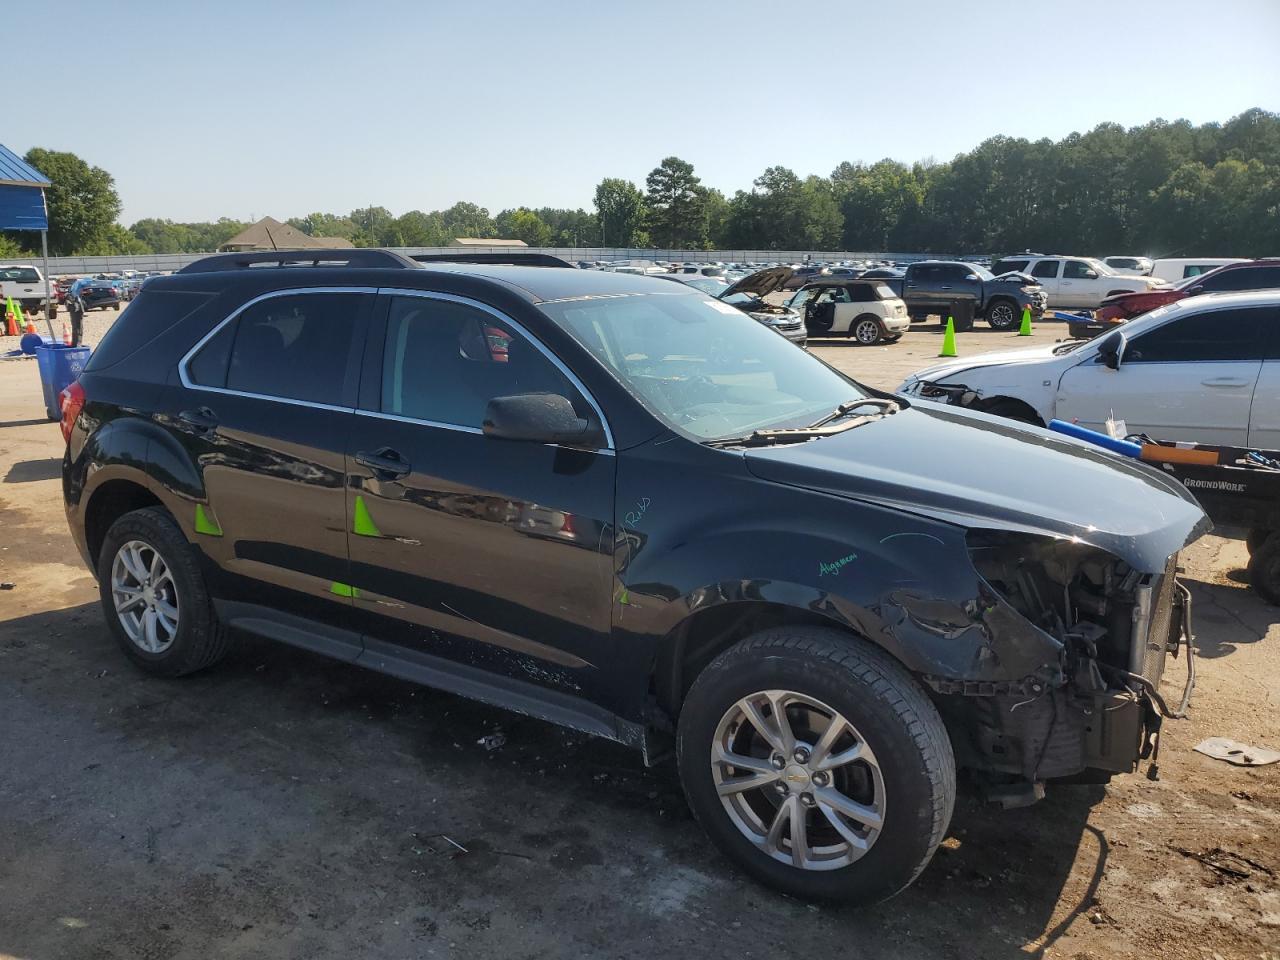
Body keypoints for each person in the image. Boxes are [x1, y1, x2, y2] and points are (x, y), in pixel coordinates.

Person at [66, 277, 89, 346]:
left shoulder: (73, 288)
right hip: (76, 308)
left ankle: (75, 343)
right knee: (78, 327)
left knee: (75, 326)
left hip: (73, 308)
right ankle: (77, 343)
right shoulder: (78, 288)